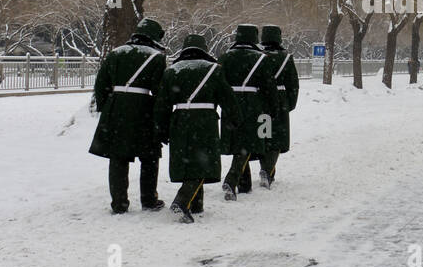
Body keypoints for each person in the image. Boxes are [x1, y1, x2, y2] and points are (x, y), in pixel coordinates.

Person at [153, 33, 240, 223]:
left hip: (180, 120)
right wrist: (234, 120)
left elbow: (162, 104)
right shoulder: (213, 70)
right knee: (203, 162)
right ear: (204, 49)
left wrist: (161, 128)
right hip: (205, 120)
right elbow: (228, 98)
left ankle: (197, 203)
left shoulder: (172, 71)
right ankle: (182, 201)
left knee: (188, 160)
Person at [89, 17, 168, 214]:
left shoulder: (115, 53)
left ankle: (119, 204)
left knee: (118, 158)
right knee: (149, 157)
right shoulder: (156, 57)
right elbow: (160, 91)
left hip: (116, 110)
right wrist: (162, 116)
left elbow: (100, 85)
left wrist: (107, 108)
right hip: (144, 111)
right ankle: (149, 200)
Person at [219, 23, 281, 200]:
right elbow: (269, 87)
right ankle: (231, 180)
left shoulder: (224, 58)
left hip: (229, 104)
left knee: (238, 142)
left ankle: (244, 184)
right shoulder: (261, 59)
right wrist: (273, 109)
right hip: (252, 104)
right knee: (247, 145)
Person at [255, 24, 298, 188]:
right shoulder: (286, 57)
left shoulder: (257, 56)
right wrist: (289, 104)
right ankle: (267, 170)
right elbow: (293, 84)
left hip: (260, 100)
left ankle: (264, 168)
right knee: (277, 138)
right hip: (280, 100)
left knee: (263, 135)